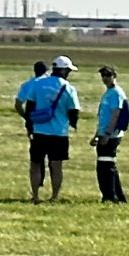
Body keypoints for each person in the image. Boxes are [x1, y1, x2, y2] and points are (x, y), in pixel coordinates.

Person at [17, 55, 80, 202]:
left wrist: (29, 125)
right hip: (59, 133)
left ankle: (36, 195)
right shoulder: (68, 88)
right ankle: (54, 196)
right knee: (56, 166)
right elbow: (74, 110)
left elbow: (30, 107)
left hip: (39, 131)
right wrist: (73, 123)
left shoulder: (38, 84)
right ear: (64, 71)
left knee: (36, 164)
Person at [93, 64, 129, 204]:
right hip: (104, 133)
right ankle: (116, 195)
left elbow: (115, 114)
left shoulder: (116, 93)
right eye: (103, 76)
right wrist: (97, 135)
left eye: (108, 75)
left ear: (114, 76)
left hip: (111, 135)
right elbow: (103, 116)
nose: (105, 78)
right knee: (106, 165)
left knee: (106, 166)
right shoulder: (108, 93)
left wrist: (107, 134)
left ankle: (110, 195)